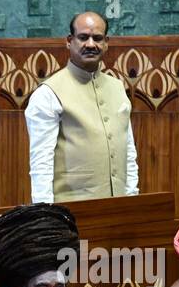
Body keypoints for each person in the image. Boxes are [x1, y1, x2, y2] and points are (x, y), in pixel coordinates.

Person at [25, 11, 139, 204]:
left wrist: (132, 198)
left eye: (98, 38)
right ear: (69, 41)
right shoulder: (48, 93)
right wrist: (46, 215)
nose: (91, 44)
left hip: (119, 208)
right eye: (83, 37)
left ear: (106, 42)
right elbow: (41, 163)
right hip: (71, 211)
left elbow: (128, 151)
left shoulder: (117, 88)